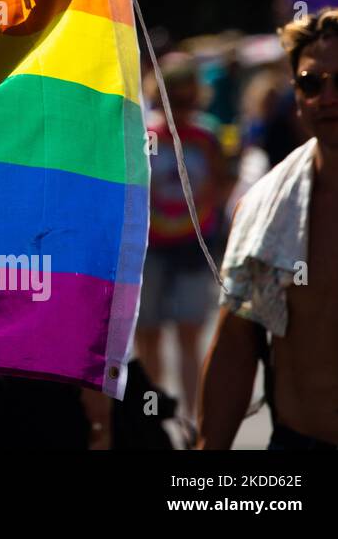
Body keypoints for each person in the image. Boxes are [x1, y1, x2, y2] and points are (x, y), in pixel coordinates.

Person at [199, 7, 338, 449]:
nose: (328, 96)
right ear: (295, 94)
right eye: (311, 83)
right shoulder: (263, 207)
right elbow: (236, 344)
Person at [135, 52, 229, 414]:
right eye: (173, 92)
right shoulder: (145, 133)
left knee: (190, 334)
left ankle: (193, 418)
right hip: (151, 249)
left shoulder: (208, 134)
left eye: (187, 93)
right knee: (149, 335)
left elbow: (221, 182)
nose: (180, 100)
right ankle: (155, 418)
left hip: (194, 246)